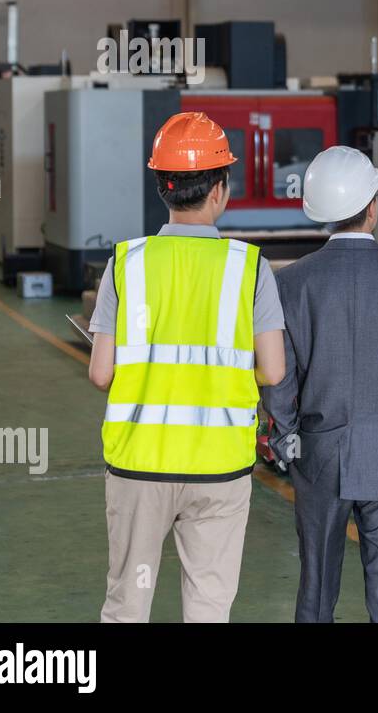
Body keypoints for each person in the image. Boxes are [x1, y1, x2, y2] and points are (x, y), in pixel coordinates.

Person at [87, 111, 286, 623]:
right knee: (208, 604)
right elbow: (274, 370)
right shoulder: (249, 267)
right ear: (221, 188)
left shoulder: (126, 262)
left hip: (139, 464)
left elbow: (101, 374)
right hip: (219, 468)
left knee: (128, 601)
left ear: (162, 188)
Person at [261, 146, 378, 623]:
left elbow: (278, 378)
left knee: (316, 590)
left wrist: (285, 441)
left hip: (319, 460)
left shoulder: (292, 283)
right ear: (373, 206)